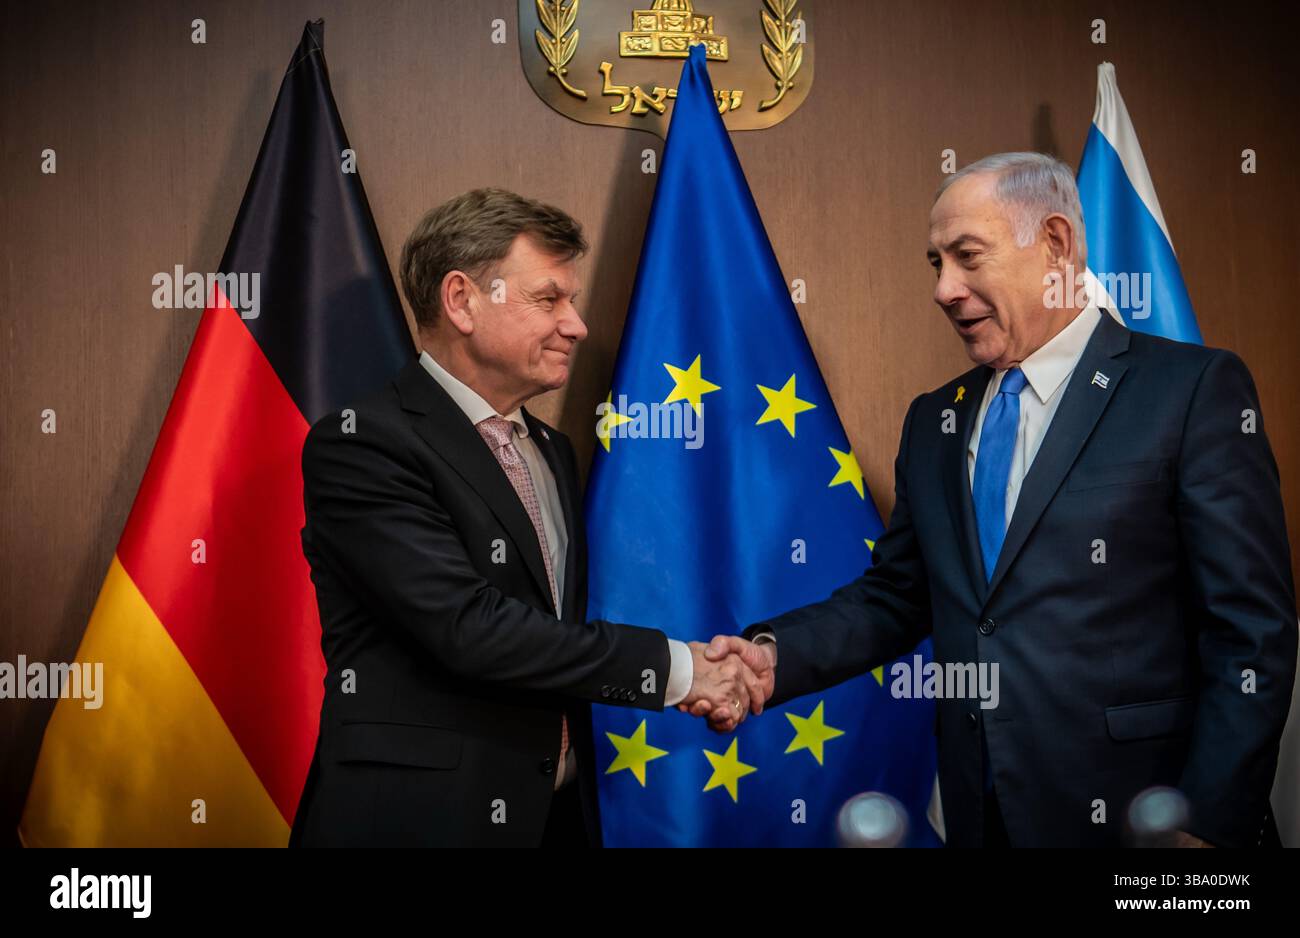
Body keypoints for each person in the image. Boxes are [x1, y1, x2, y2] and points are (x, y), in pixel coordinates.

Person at [700, 153, 1296, 847]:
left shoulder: (1191, 391)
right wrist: (777, 656)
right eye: (935, 263)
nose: (945, 289)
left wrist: (1207, 824)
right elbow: (897, 596)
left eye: (967, 256)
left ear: (1056, 245)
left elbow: (1251, 635)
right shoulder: (935, 420)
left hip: (1144, 818)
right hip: (980, 809)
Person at [290, 188, 772, 847]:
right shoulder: (363, 443)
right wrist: (683, 670)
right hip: (416, 820)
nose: (576, 325)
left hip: (552, 816)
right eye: (550, 299)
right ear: (462, 300)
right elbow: (470, 628)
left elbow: (549, 634)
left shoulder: (551, 450)